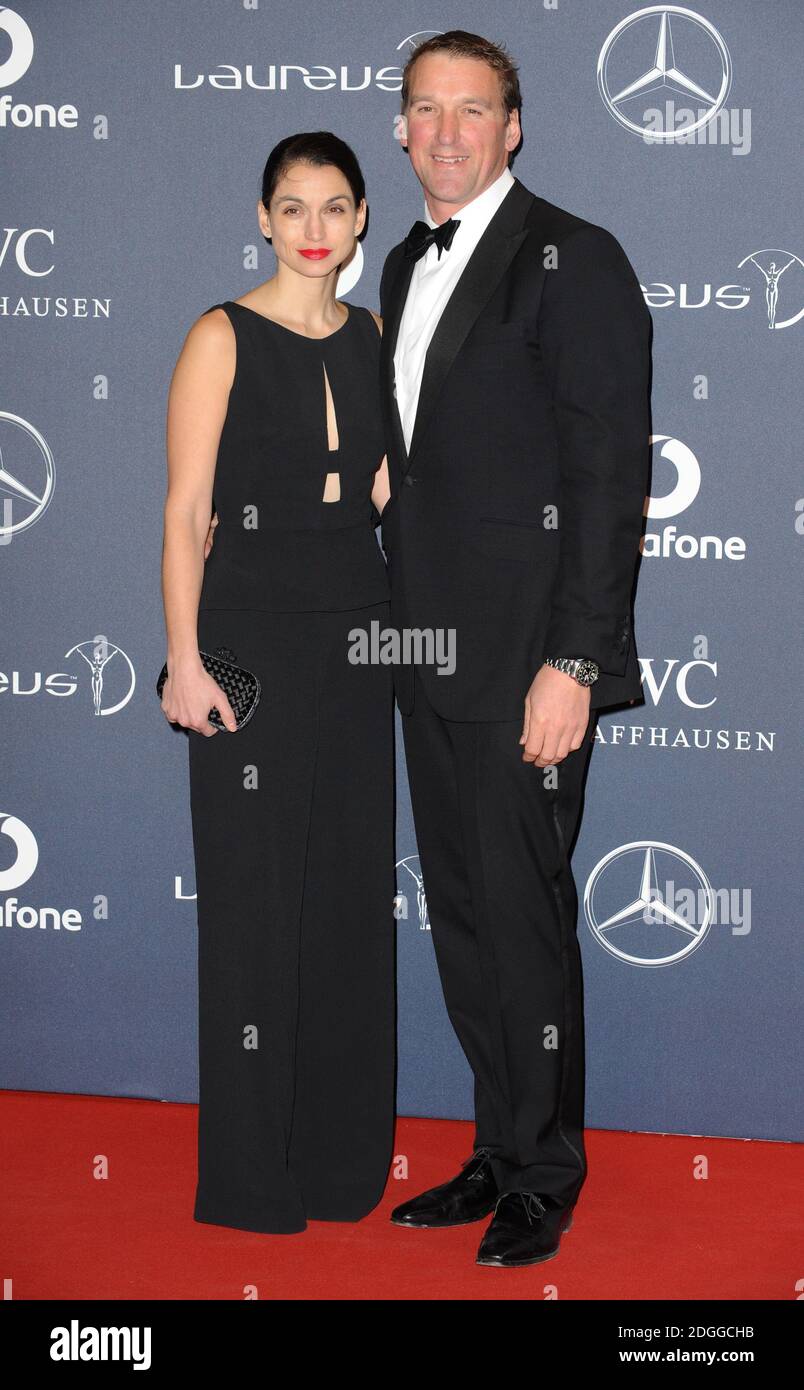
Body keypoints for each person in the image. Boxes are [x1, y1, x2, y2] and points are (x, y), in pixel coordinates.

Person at [378, 32, 652, 1267]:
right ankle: (495, 1144)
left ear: (515, 126)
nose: (446, 131)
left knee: (526, 919)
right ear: (399, 129)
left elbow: (606, 481)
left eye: (472, 109)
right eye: (424, 109)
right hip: (421, 647)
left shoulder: (575, 260)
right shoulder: (400, 264)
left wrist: (576, 663)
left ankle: (547, 1171)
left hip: (531, 663)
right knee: (467, 921)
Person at [159, 132, 396, 1235]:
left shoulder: (377, 338)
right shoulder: (220, 334)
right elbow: (183, 510)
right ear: (263, 217)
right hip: (250, 652)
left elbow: (390, 495)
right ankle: (252, 1181)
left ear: (360, 221)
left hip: (360, 649)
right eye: (291, 206)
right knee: (257, 916)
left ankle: (346, 1166)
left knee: (348, 908)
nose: (313, 228)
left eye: (334, 207)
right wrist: (187, 661)